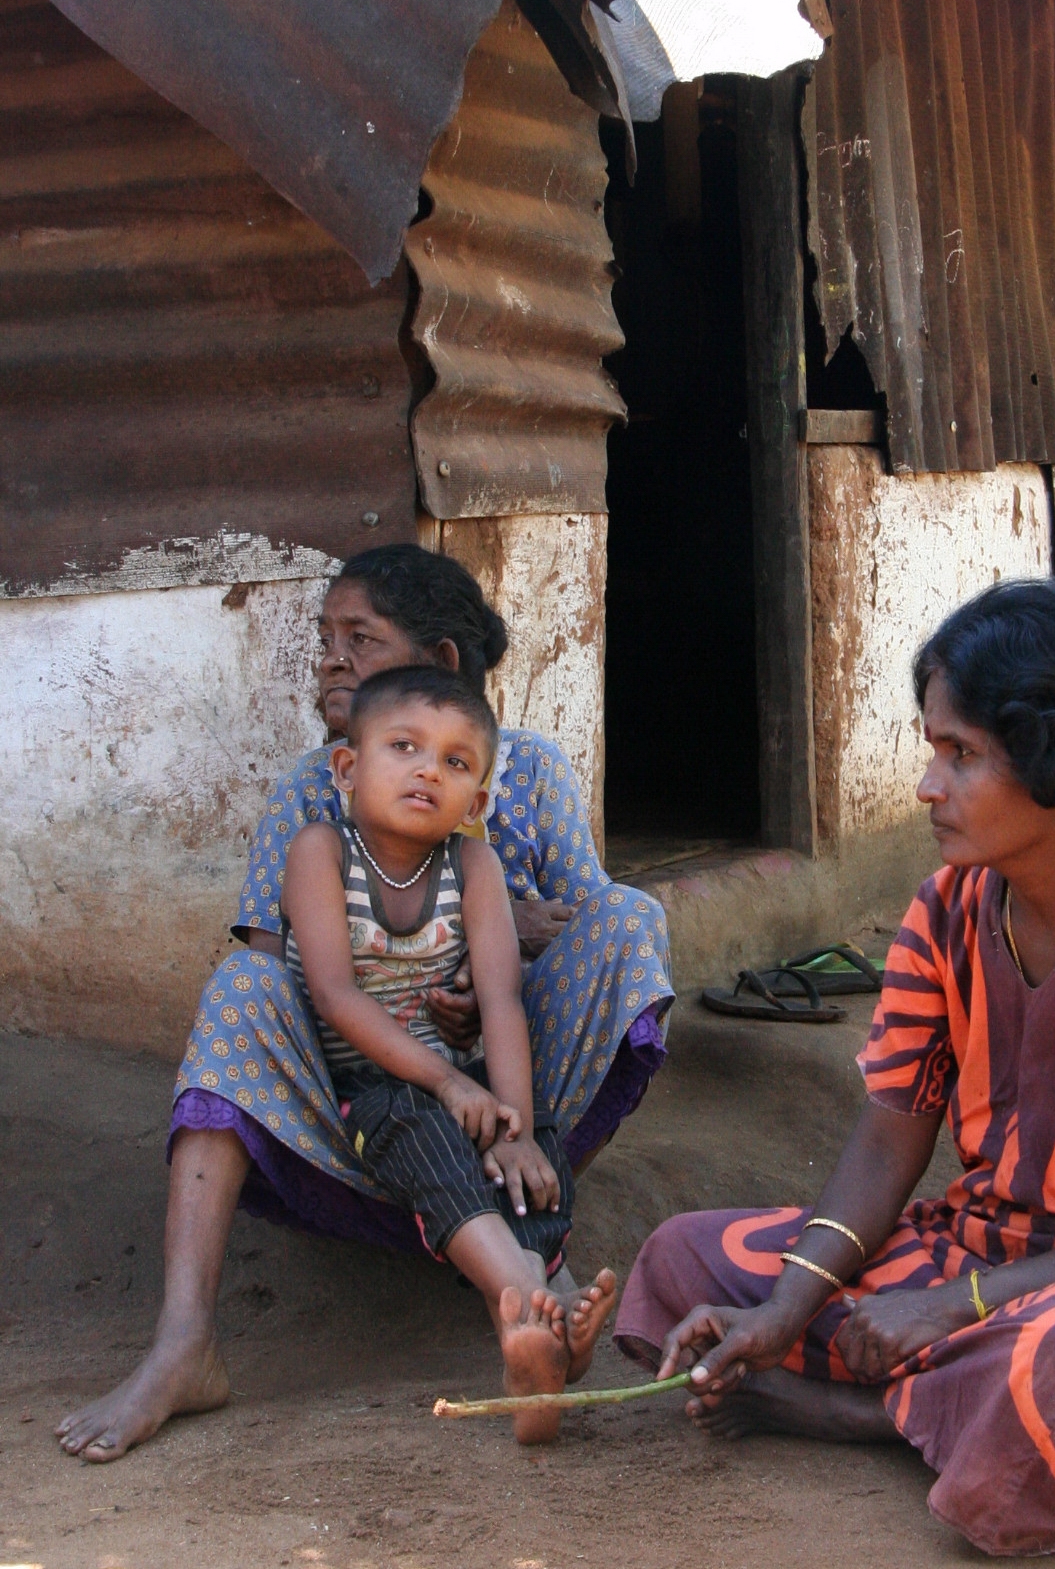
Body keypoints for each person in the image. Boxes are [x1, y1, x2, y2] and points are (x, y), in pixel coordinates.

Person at [616, 583, 1055, 1560]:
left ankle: (853, 1413)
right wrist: (785, 1308)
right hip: (981, 1253)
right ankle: (919, 1392)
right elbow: (887, 1136)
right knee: (682, 1258)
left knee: (1042, 1360)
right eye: (931, 748)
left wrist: (958, 1304)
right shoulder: (948, 909)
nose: (927, 785)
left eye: (960, 754)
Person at [57, 543, 671, 1462]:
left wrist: (503, 944)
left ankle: (542, 1260)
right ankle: (184, 1343)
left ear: (442, 662)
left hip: (510, 1080)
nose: (331, 659)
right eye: (325, 640)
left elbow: (576, 927)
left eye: (360, 638)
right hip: (361, 1090)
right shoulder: (313, 792)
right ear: (352, 770)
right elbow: (283, 967)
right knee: (244, 988)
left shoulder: (529, 773)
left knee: (631, 919)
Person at [282, 662, 613, 1436]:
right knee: (423, 1125)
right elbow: (334, 995)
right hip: (371, 1089)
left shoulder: (474, 864)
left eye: (456, 762)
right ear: (348, 766)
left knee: (535, 1151)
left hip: (458, 1075)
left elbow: (499, 998)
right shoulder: (321, 852)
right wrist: (449, 1087)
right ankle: (532, 1307)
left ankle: (546, 1342)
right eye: (404, 747)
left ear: (480, 801)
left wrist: (517, 1126)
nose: (429, 769)